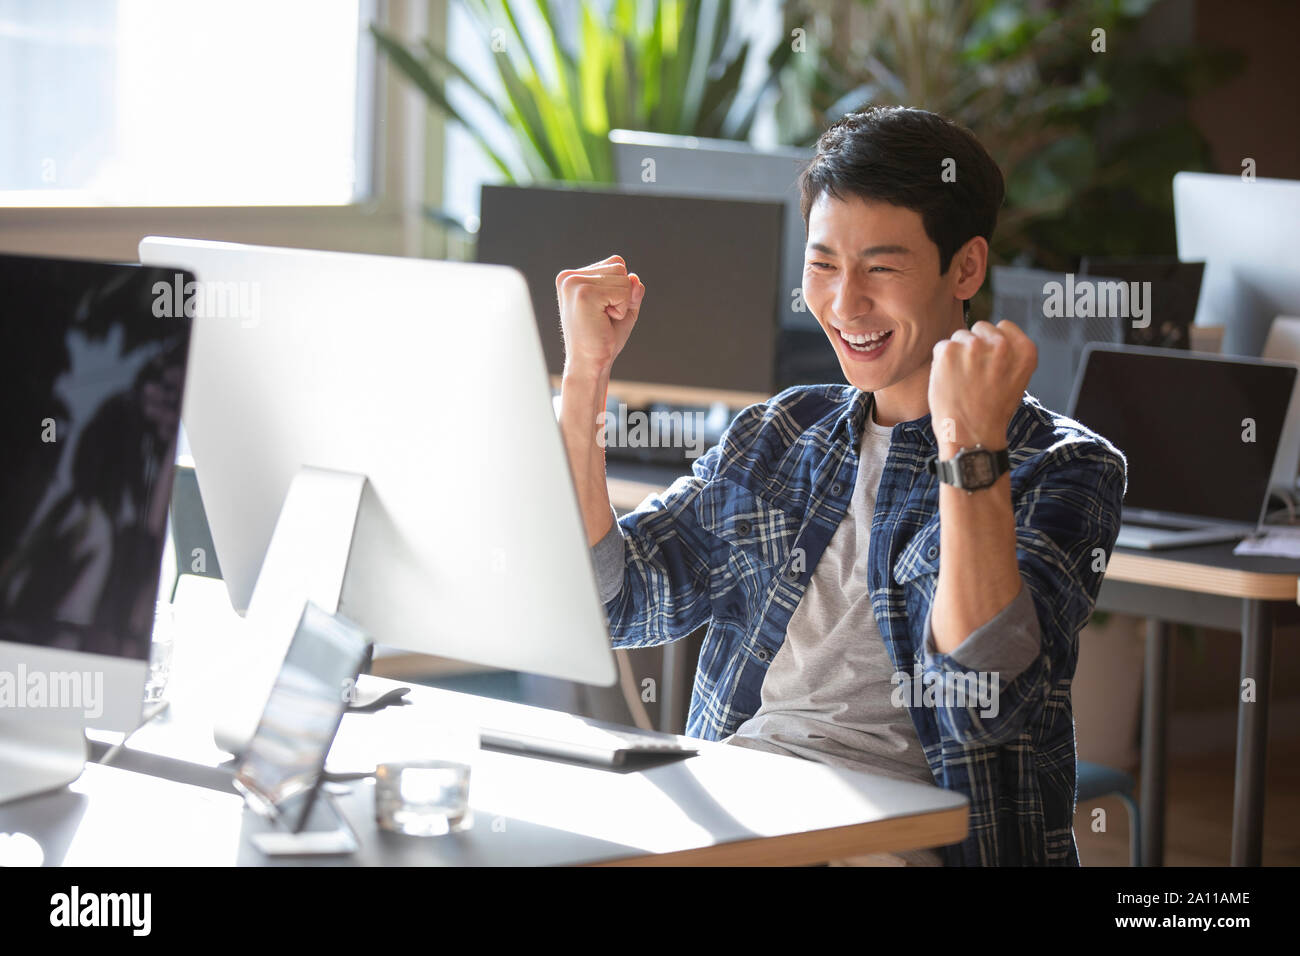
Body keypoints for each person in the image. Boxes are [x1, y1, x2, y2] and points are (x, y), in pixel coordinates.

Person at [554, 106, 1127, 866]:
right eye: (824, 265)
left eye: (881, 268)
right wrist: (586, 377)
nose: (846, 304)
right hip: (741, 797)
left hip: (901, 837)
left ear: (966, 268)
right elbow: (616, 601)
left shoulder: (1063, 466)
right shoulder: (783, 433)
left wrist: (967, 447)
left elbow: (980, 703)